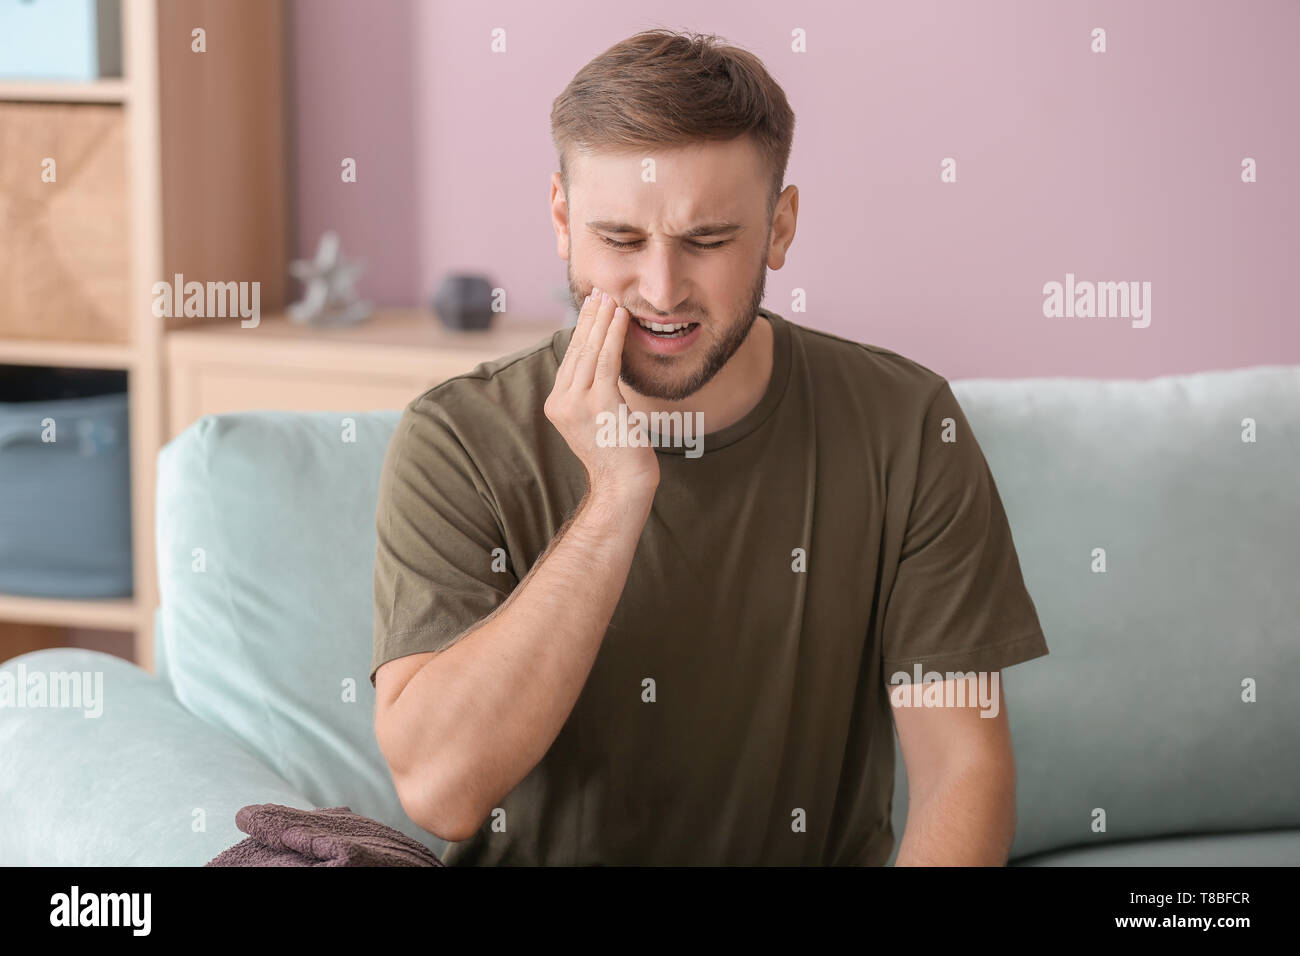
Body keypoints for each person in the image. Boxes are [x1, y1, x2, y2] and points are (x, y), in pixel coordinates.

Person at [371, 29, 1048, 866]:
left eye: (708, 240)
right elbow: (441, 792)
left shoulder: (907, 424)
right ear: (561, 219)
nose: (661, 290)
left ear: (779, 227)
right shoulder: (458, 439)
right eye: (620, 239)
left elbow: (963, 771)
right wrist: (617, 499)